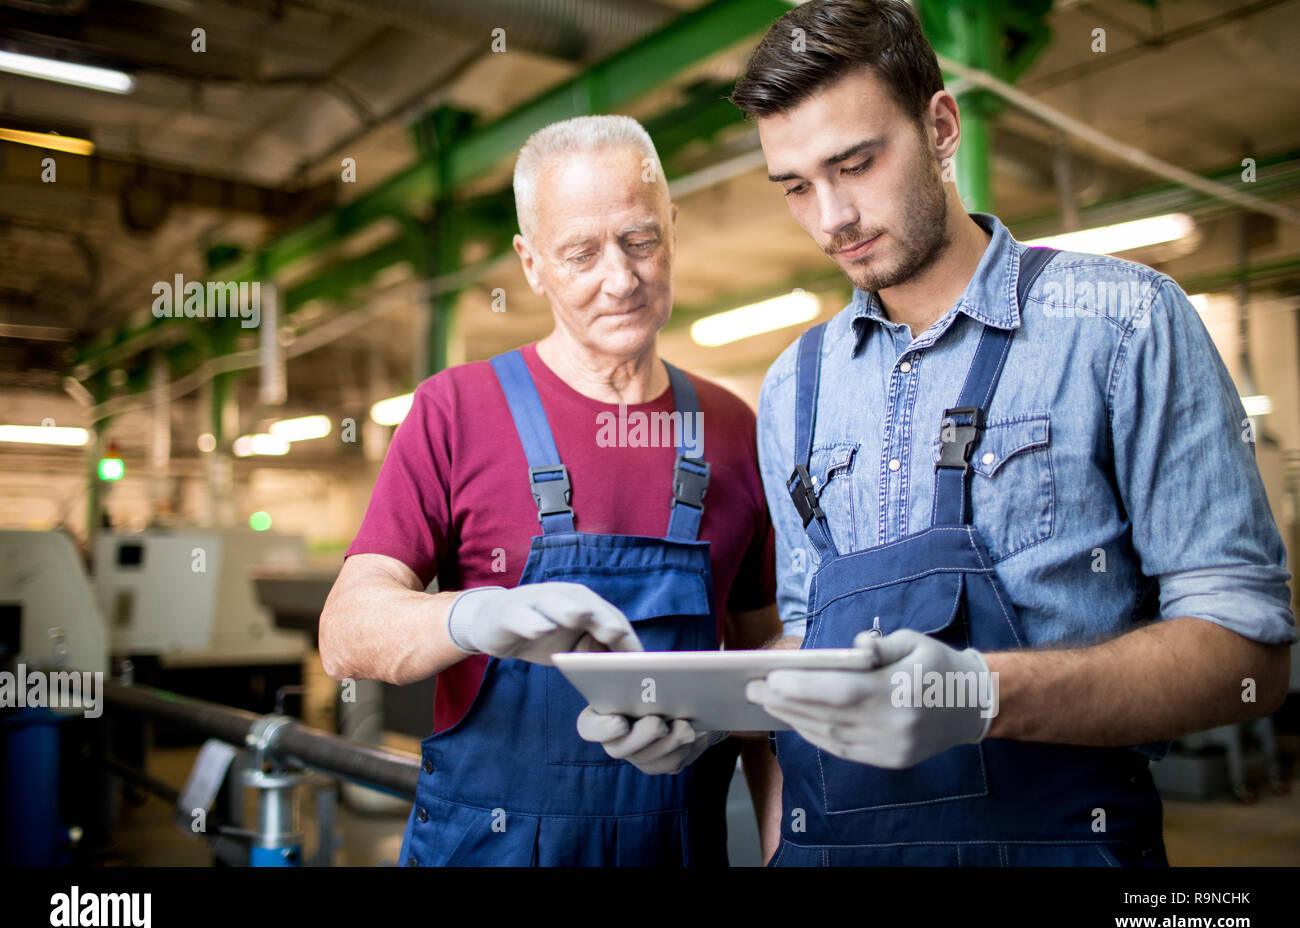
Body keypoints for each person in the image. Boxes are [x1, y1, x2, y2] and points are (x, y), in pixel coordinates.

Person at [731, 0, 1295, 865]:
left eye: (856, 163)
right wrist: (709, 711)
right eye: (797, 186)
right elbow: (811, 632)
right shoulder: (793, 389)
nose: (832, 217)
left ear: (942, 125)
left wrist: (982, 695)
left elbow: (1246, 654)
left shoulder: (1121, 325)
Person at [319, 115, 781, 866]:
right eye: (580, 254)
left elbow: (768, 672)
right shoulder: (456, 411)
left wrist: (778, 853)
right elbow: (344, 634)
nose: (621, 278)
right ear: (530, 264)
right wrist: (479, 616)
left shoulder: (732, 429)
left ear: (673, 225)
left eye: (640, 240)